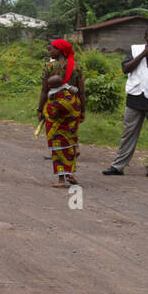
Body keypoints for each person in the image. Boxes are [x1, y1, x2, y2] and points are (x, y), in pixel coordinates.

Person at [103, 27, 148, 177]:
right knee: (128, 134)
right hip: (135, 99)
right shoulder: (135, 50)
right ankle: (118, 166)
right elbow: (126, 69)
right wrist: (143, 54)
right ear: (145, 37)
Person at [36, 39, 85, 188]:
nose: (50, 51)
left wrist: (39, 109)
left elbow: (44, 90)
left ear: (60, 51)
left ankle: (62, 179)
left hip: (54, 108)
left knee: (57, 141)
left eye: (52, 49)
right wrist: (83, 110)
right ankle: (70, 172)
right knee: (70, 140)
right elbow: (82, 92)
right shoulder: (77, 67)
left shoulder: (49, 66)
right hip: (73, 107)